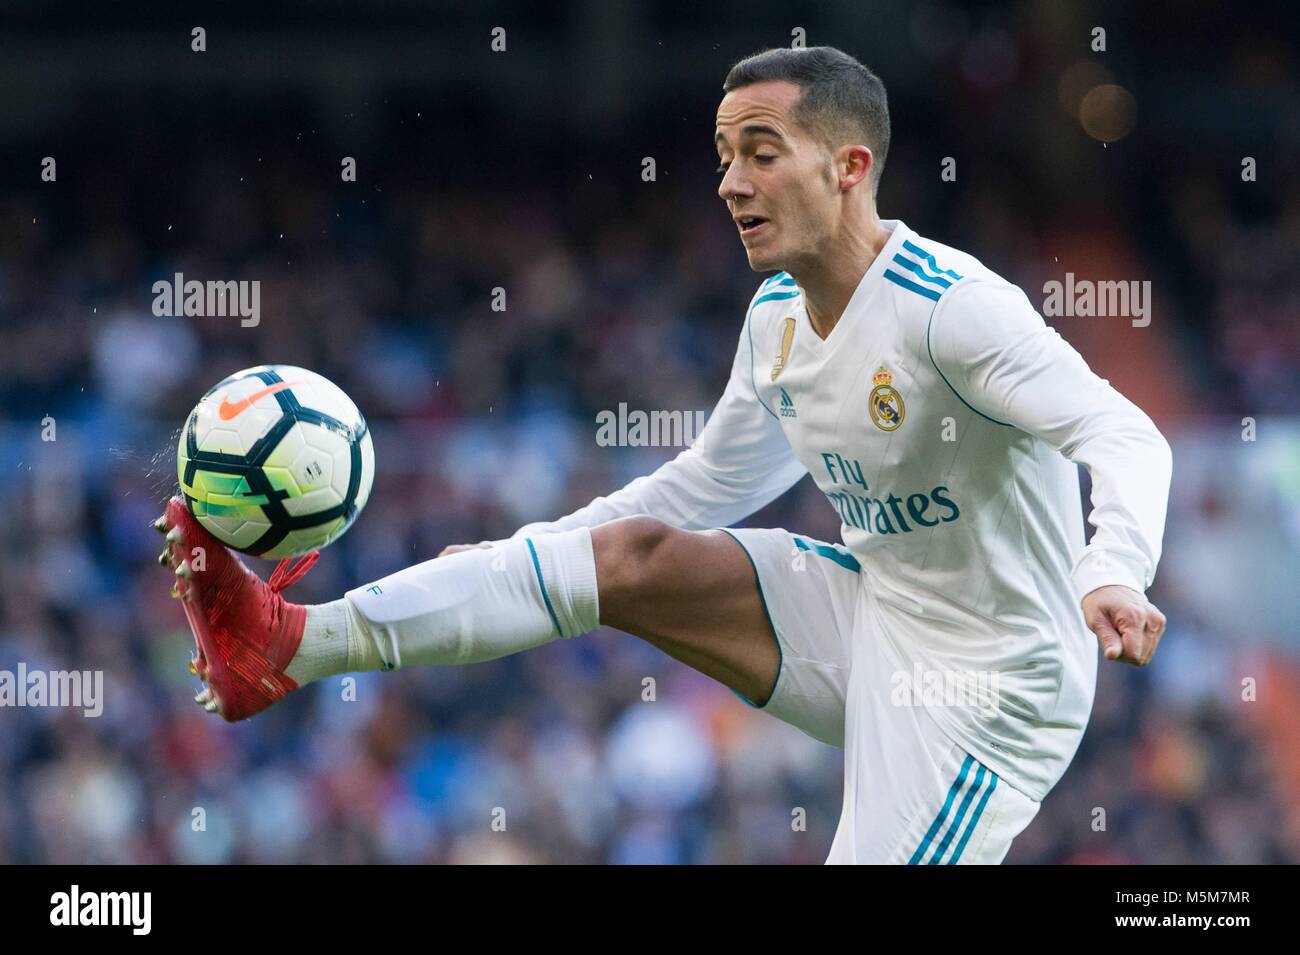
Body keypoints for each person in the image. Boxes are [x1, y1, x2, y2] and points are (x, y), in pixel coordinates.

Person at [158, 46, 1171, 864]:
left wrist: (1113, 566)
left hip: (992, 687)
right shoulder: (777, 320)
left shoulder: (954, 312)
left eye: (761, 152)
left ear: (850, 167)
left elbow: (1124, 432)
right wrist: (528, 552)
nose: (731, 183)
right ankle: (289, 645)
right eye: (724, 155)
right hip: (873, 613)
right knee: (632, 557)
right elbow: (699, 490)